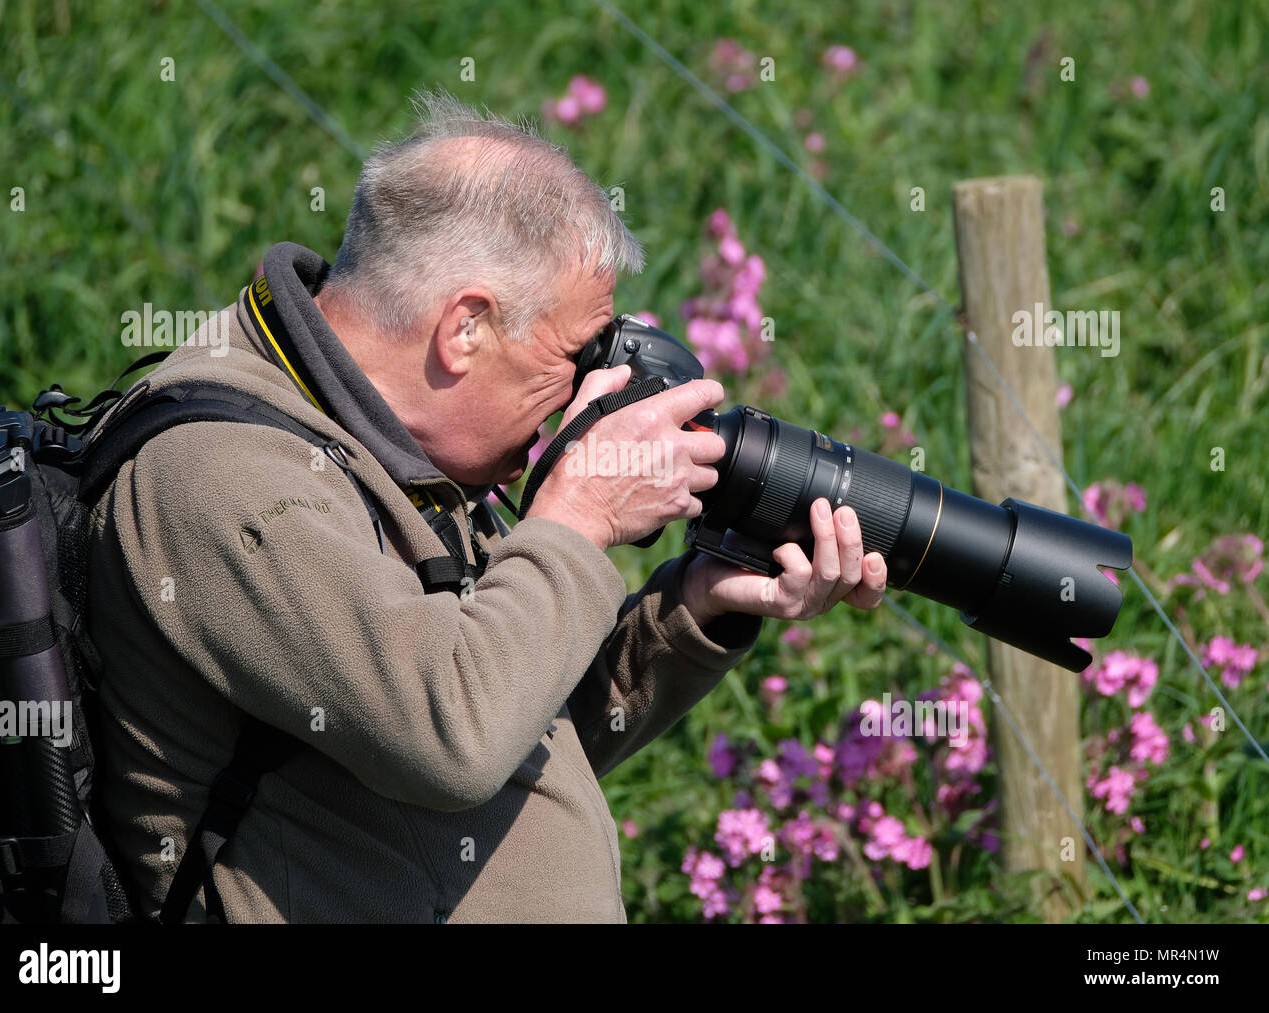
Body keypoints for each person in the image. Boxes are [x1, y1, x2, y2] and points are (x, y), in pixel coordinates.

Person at [86, 90, 886, 923]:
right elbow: (453, 735)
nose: (582, 393)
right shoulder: (220, 475)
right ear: (464, 327)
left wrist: (689, 609)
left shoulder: (393, 443)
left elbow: (523, 720)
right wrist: (579, 515)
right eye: (573, 355)